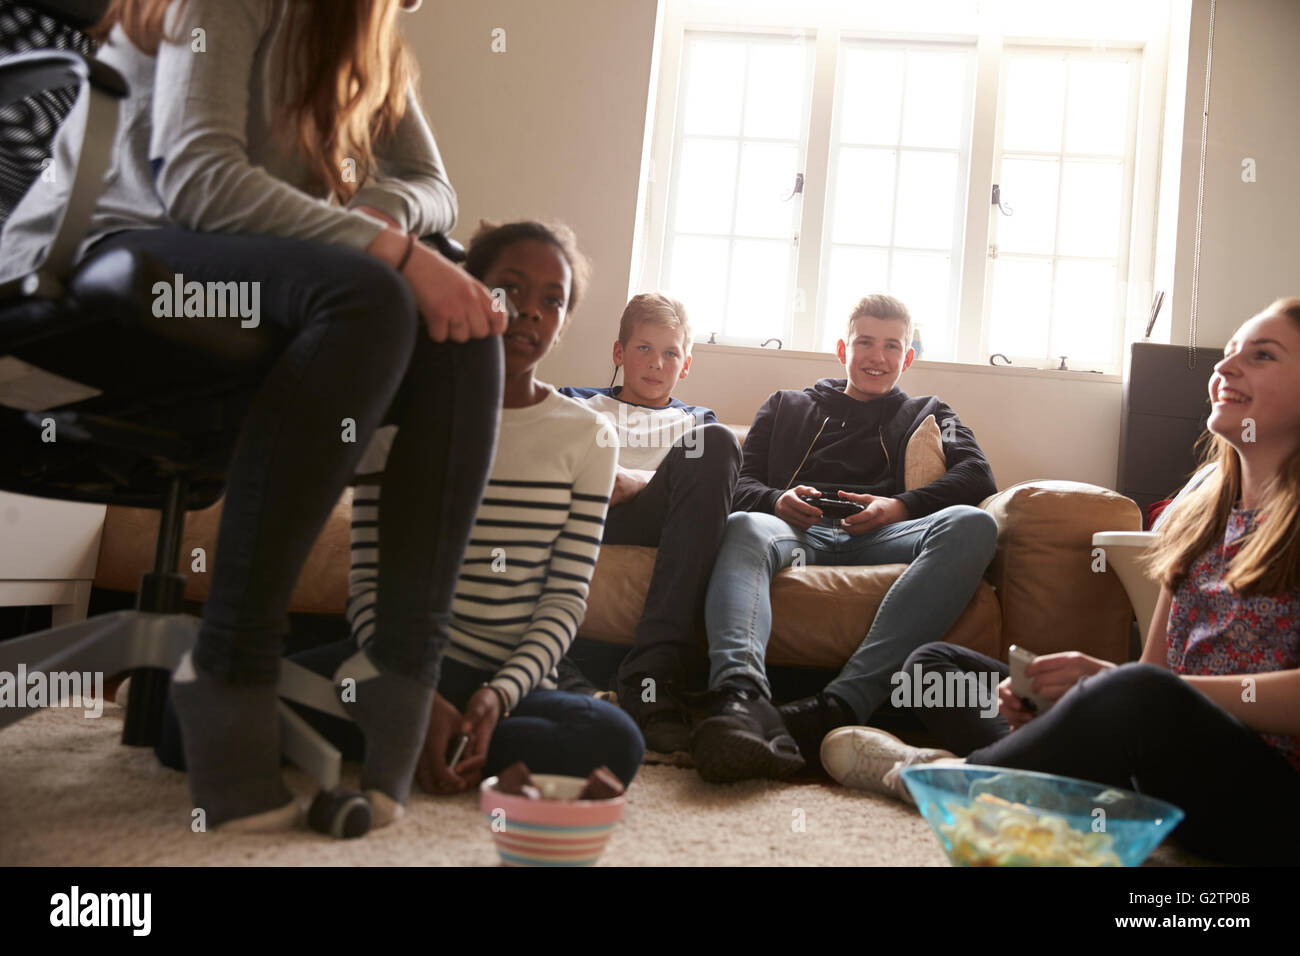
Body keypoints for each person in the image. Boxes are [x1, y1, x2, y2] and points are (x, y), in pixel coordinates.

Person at [44, 0, 506, 832]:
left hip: (243, 309)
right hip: (112, 255)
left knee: (464, 329)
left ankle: (401, 681)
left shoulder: (367, 43)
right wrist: (389, 253)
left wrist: (390, 216)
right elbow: (200, 181)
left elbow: (436, 185)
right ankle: (231, 668)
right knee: (375, 293)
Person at [824, 298, 1300, 865]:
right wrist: (1085, 690)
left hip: (1271, 801)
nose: (1225, 368)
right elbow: (1156, 674)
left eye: (1263, 355)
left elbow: (1158, 692)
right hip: (1163, 757)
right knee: (935, 667)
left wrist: (1119, 693)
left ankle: (956, 781)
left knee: (1132, 695)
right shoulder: (1197, 517)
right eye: (1227, 354)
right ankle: (1057, 780)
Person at [293, 221, 644, 792]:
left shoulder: (590, 436)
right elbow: (368, 582)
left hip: (511, 681)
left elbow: (564, 598)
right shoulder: (400, 417)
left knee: (616, 741)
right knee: (184, 727)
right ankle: (420, 728)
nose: (531, 311)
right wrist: (412, 694)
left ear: (563, 324)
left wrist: (497, 695)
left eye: (552, 300)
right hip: (394, 667)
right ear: (469, 291)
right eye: (510, 289)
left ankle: (437, 736)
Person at [691, 294, 999, 782]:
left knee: (974, 523)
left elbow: (979, 476)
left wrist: (897, 507)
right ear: (842, 348)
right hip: (797, 532)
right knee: (743, 523)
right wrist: (776, 500)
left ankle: (838, 706)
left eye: (891, 346)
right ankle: (739, 699)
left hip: (884, 532)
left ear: (907, 357)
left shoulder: (931, 412)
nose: (877, 357)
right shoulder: (785, 404)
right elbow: (740, 486)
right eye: (865, 342)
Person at [555, 294, 741, 753]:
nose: (657, 363)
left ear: (686, 363)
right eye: (643, 349)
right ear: (619, 353)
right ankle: (562, 676)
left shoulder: (695, 421)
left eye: (671, 352)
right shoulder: (575, 402)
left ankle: (652, 675)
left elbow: (710, 498)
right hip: (582, 511)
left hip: (660, 520)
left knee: (717, 442)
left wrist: (641, 479)